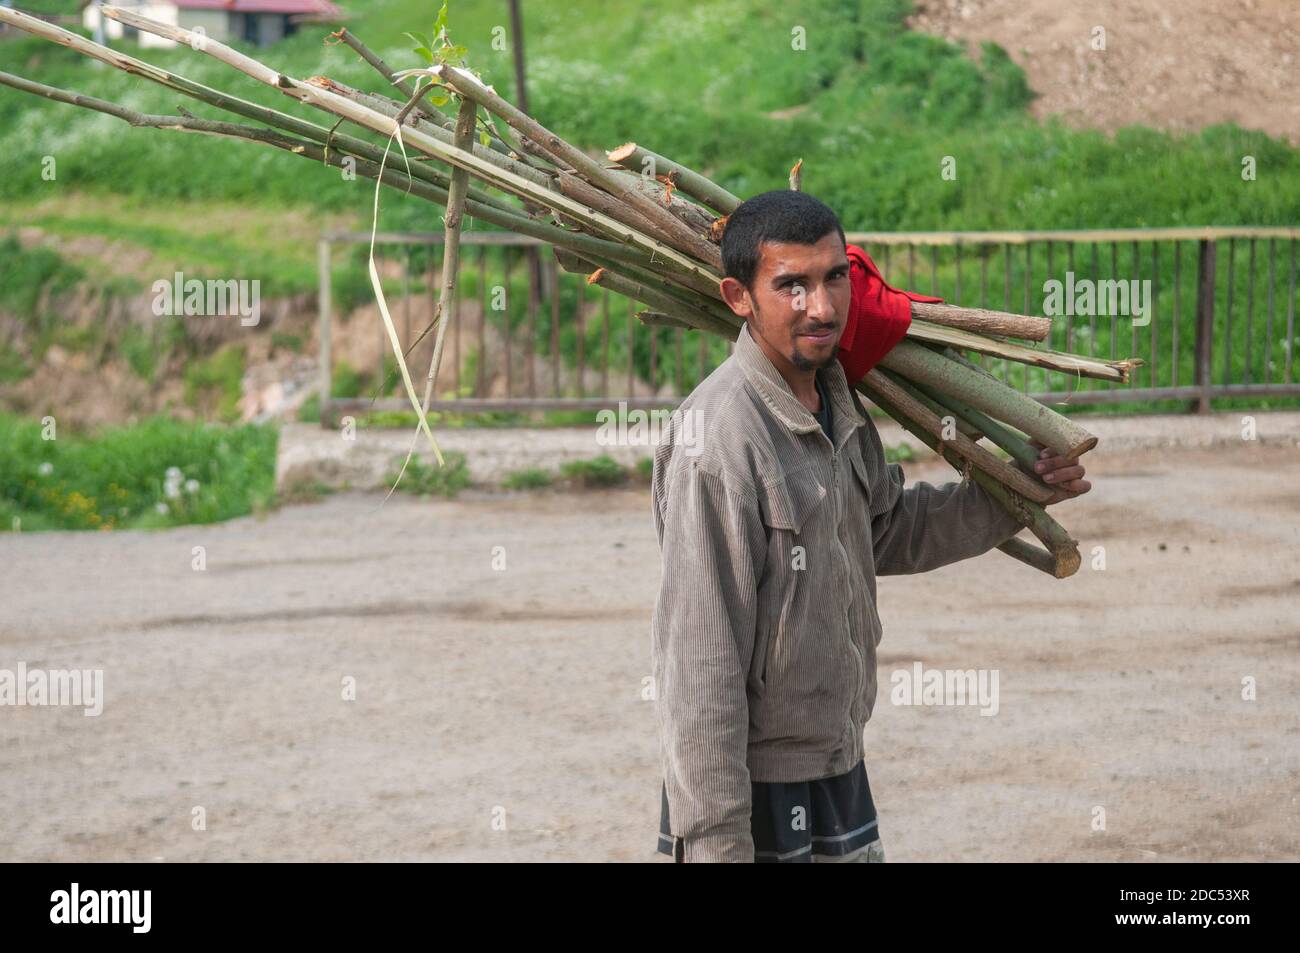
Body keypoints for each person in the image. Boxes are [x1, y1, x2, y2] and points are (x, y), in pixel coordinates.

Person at [649, 190, 1090, 863]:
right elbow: (699, 668)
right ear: (738, 296)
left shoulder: (837, 400)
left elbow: (886, 531)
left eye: (834, 278)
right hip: (752, 794)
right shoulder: (716, 444)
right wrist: (716, 843)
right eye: (791, 285)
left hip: (834, 764)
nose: (821, 307)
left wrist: (1017, 490)